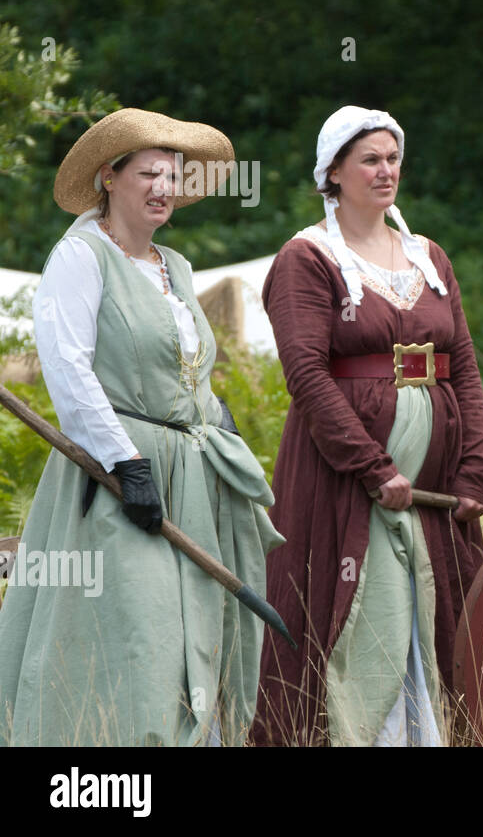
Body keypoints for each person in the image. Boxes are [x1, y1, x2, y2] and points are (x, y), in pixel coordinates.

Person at [0, 108, 284, 746]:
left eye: (175, 176)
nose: (165, 187)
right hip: (110, 478)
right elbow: (69, 372)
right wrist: (126, 465)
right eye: (150, 173)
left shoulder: (174, 267)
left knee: (193, 631)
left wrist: (224, 436)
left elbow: (191, 378)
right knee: (137, 631)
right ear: (110, 176)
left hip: (190, 475)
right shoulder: (80, 257)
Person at [252, 106, 483, 746]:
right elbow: (306, 375)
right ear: (332, 172)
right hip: (346, 486)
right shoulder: (308, 259)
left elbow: (462, 367)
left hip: (431, 490)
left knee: (435, 616)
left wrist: (476, 468)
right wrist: (372, 465)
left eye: (393, 158)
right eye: (370, 159)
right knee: (364, 622)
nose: (386, 170)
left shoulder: (429, 257)